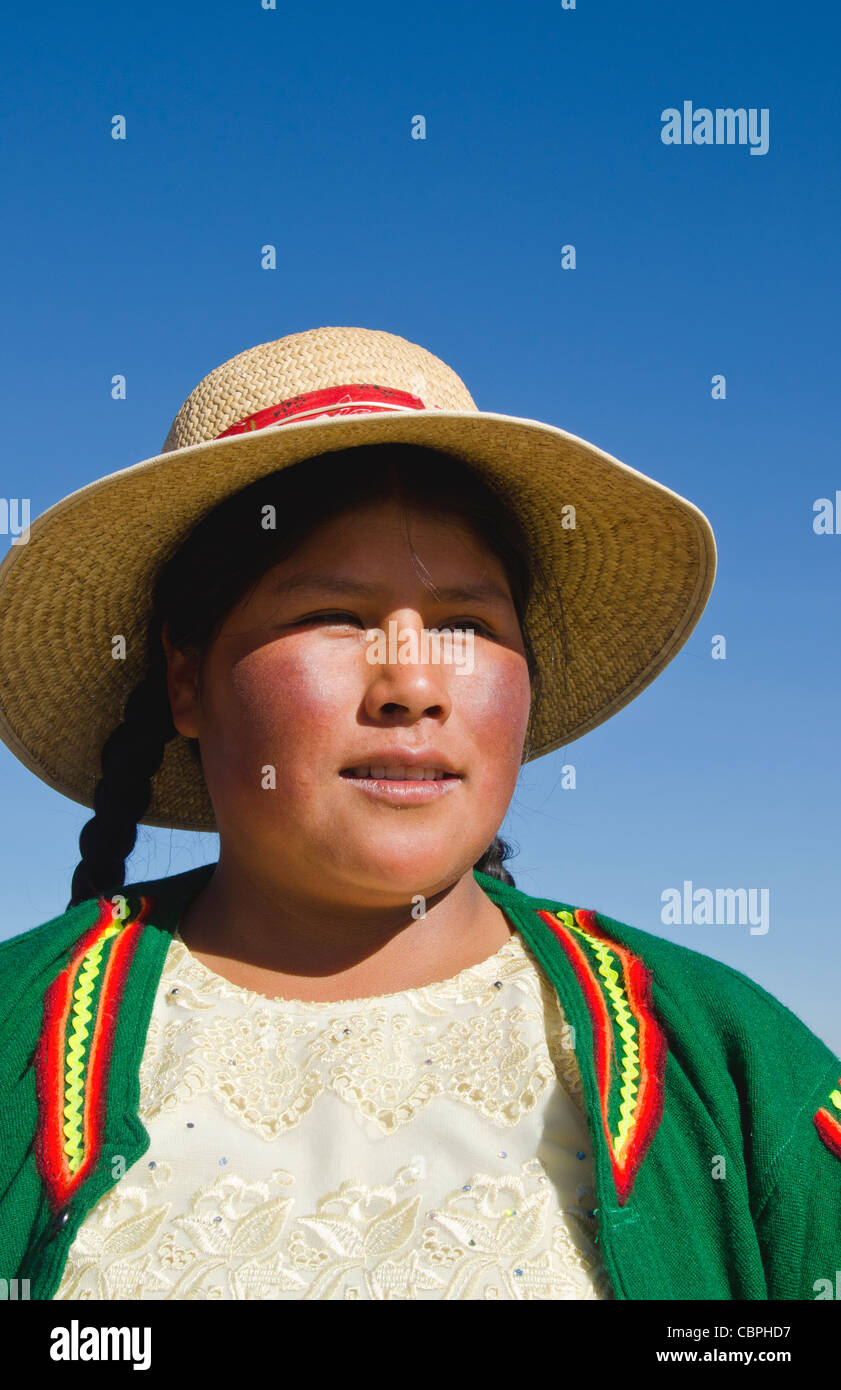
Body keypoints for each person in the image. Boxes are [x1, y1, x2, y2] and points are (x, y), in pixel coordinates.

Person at [0, 325, 838, 1301]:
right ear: (186, 680)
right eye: (333, 617)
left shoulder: (734, 1066)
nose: (412, 685)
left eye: (465, 626)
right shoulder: (21, 1041)